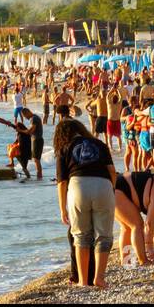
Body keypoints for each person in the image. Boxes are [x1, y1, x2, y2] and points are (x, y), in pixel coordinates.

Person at [54, 118, 116, 288]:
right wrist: (111, 189)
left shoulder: (63, 148)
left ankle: (82, 281)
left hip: (78, 186)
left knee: (81, 235)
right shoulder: (99, 143)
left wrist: (62, 208)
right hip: (103, 184)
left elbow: (62, 182)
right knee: (104, 235)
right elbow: (112, 171)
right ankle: (99, 278)